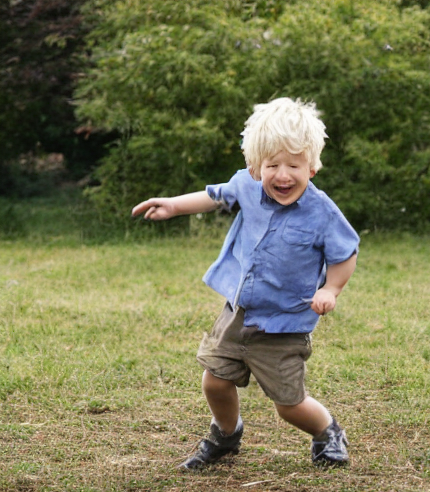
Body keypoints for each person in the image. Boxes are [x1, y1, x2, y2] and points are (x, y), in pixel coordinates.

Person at [131, 98, 359, 468]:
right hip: (239, 312)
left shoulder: (323, 213)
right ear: (254, 168)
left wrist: (330, 289)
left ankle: (327, 431)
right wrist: (173, 205)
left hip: (285, 322)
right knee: (215, 381)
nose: (283, 175)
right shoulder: (246, 187)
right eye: (272, 165)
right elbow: (213, 196)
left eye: (294, 165)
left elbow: (345, 252)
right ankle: (225, 434)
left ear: (312, 167)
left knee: (289, 405)